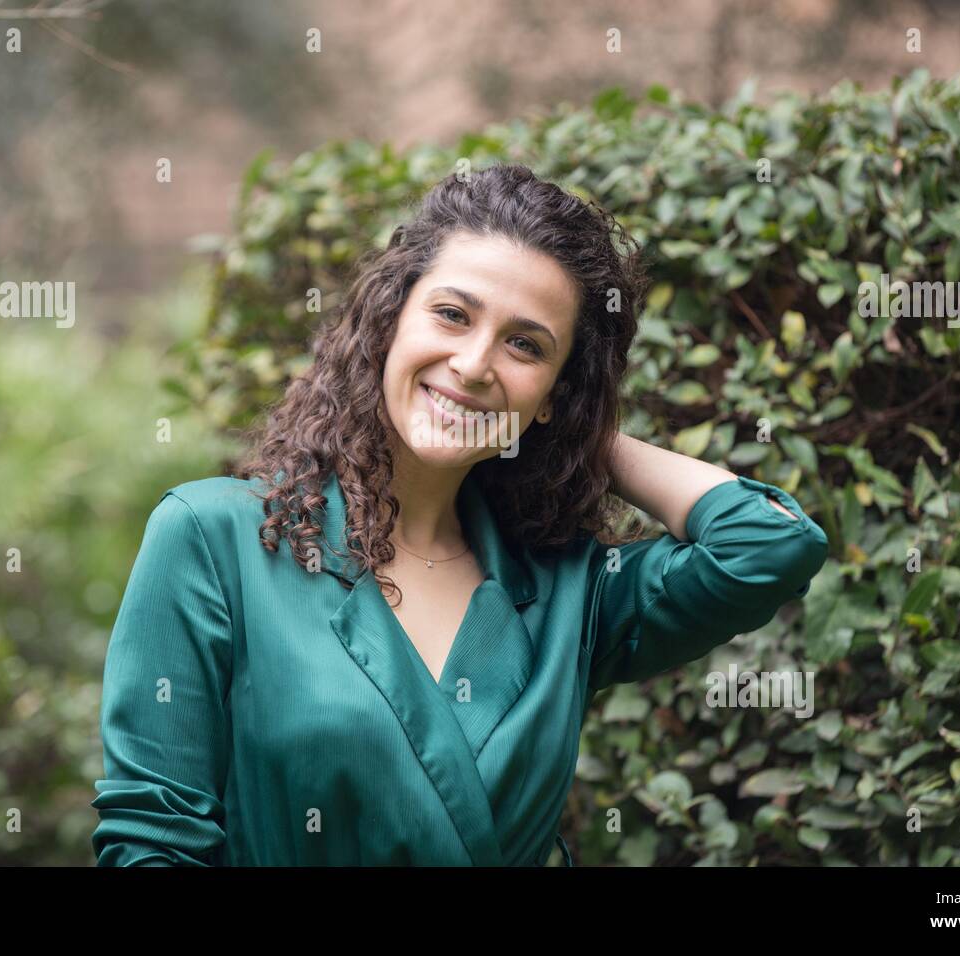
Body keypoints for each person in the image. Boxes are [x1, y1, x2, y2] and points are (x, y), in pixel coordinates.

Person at [91, 163, 829, 866]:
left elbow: (767, 545)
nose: (475, 363)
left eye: (525, 345)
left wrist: (569, 427)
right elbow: (151, 843)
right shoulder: (214, 539)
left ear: (555, 394)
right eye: (451, 314)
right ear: (388, 321)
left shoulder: (571, 589)